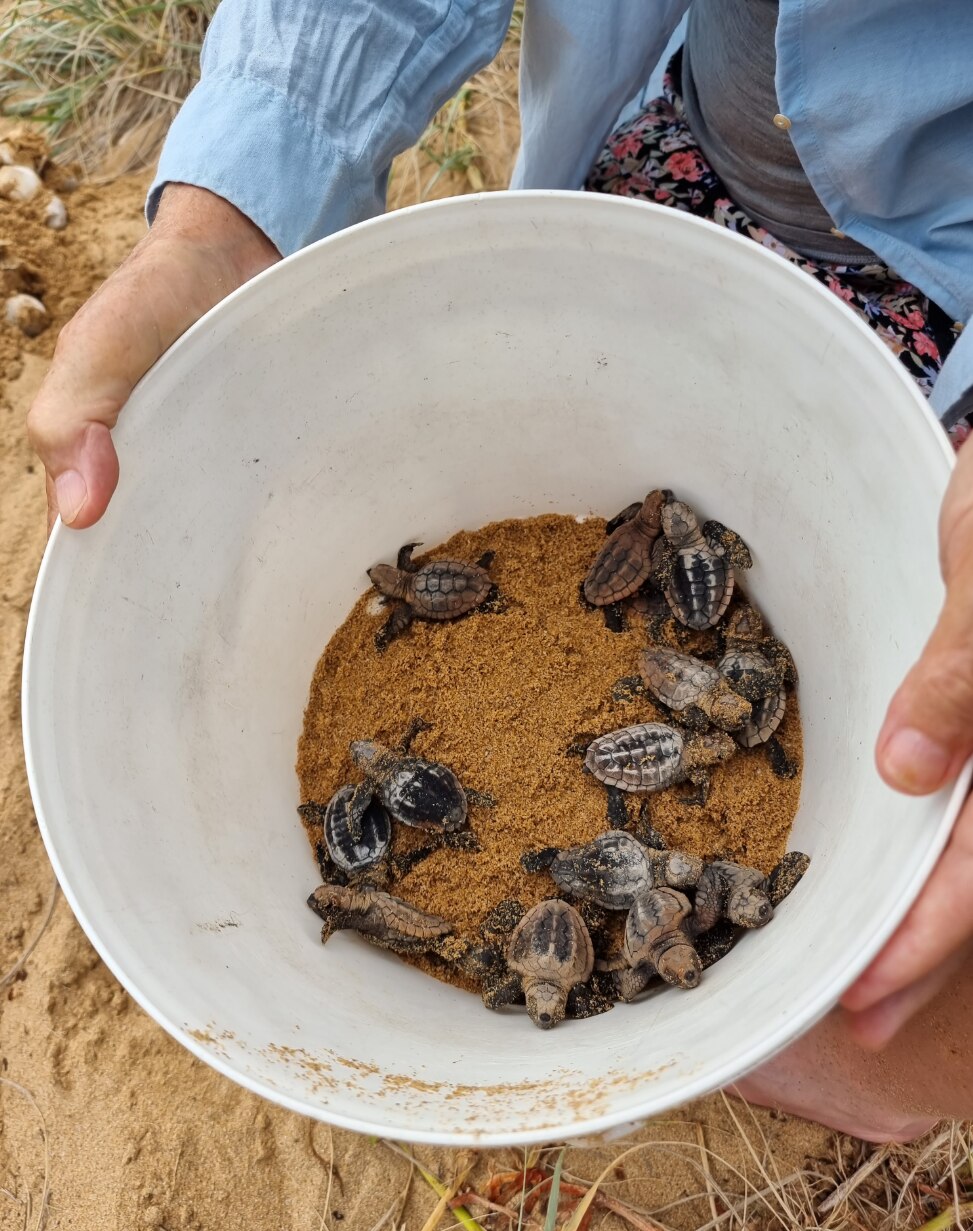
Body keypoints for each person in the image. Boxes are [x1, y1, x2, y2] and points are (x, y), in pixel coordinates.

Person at [27, 0, 973, 1141]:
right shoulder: (478, 762)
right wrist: (226, 218)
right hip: (682, 159)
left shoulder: (633, 730)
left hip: (940, 342)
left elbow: (629, 779)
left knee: (897, 1024)